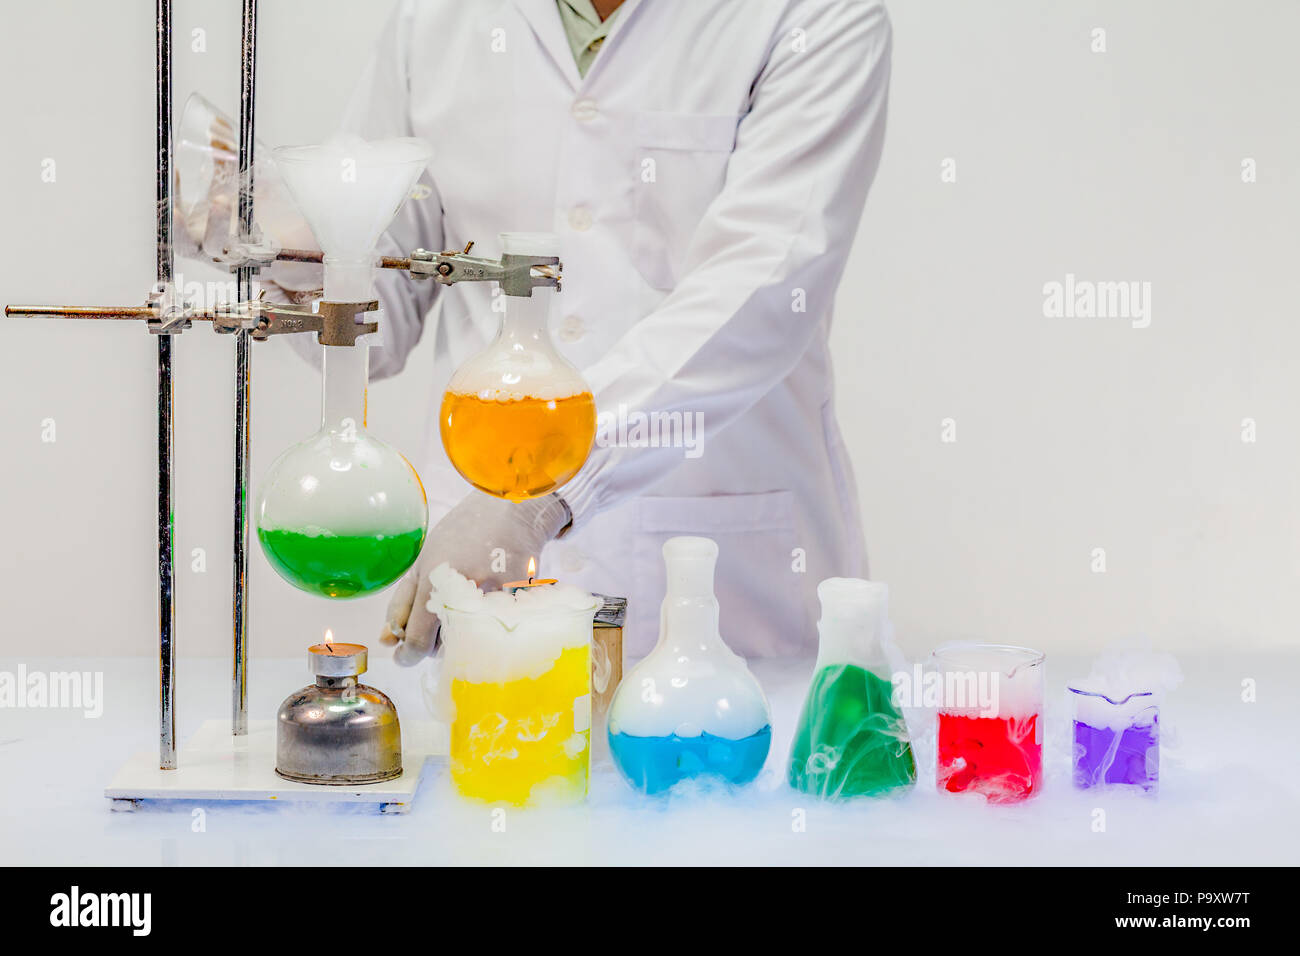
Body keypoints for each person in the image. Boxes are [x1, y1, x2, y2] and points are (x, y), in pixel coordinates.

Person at [283, 0, 893, 662]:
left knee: (716, 757)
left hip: (725, 586)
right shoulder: (433, 19)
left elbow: (766, 289)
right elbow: (378, 319)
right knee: (501, 758)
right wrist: (281, 252)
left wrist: (545, 489)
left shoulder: (815, 14)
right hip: (485, 569)